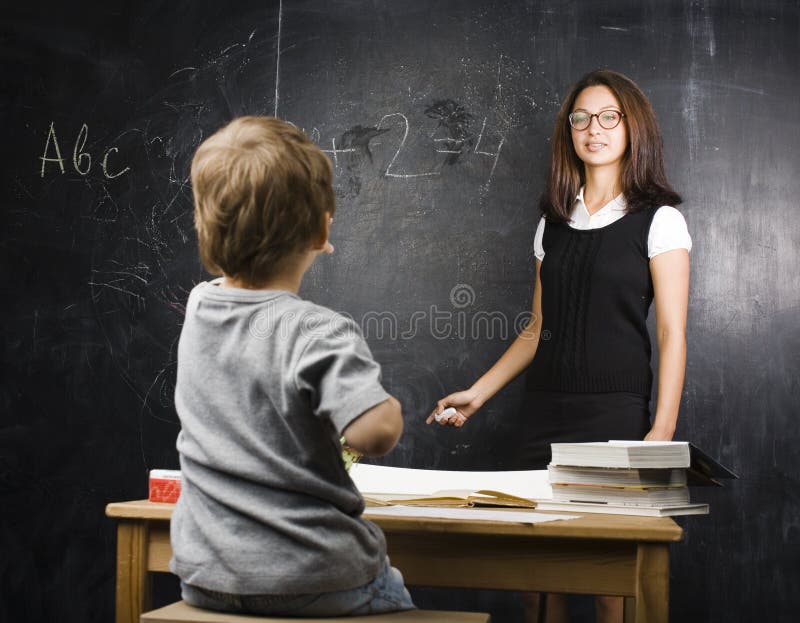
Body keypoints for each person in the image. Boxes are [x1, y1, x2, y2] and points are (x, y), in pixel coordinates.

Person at [428, 70, 691, 623]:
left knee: (609, 585)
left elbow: (672, 332)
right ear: (568, 131)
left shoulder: (661, 221)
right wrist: (479, 393)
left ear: (633, 128)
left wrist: (661, 431)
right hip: (543, 414)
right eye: (581, 118)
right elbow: (537, 328)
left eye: (609, 117)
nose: (594, 129)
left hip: (616, 418)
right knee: (537, 583)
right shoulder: (552, 221)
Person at [170, 116, 414, 617]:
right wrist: (387, 409)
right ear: (323, 228)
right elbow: (373, 433)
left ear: (207, 227)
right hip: (312, 574)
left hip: (206, 574)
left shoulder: (199, 308)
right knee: (392, 589)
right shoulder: (318, 331)